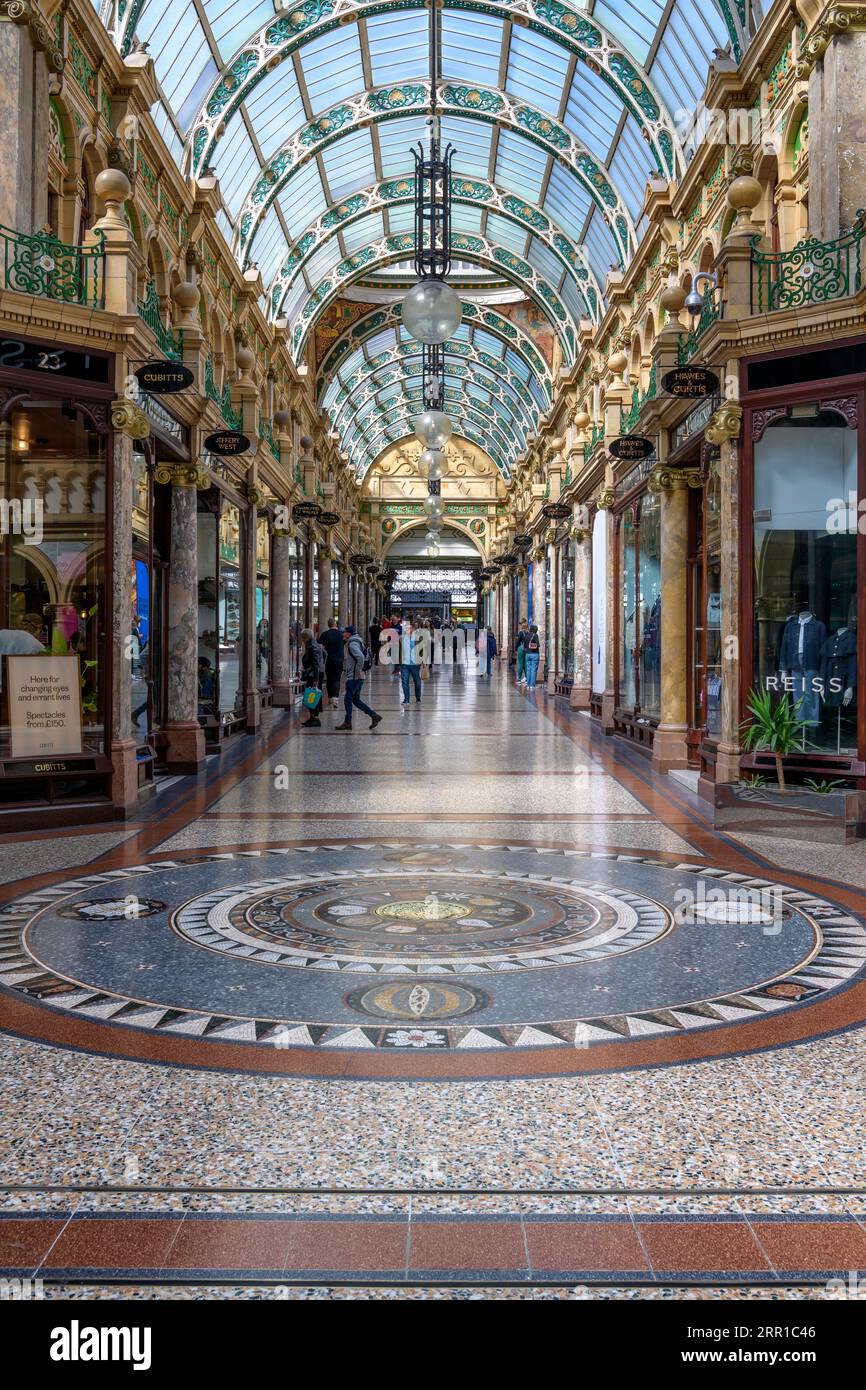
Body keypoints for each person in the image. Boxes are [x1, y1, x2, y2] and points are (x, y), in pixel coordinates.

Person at [336, 625, 381, 731]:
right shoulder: (358, 641)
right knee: (356, 700)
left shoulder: (352, 644)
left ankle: (348, 722)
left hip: (355, 677)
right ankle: (374, 716)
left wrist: (357, 671)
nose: (342, 634)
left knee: (348, 699)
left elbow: (360, 657)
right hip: (358, 676)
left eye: (344, 632)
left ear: (349, 633)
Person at [299, 627, 325, 728]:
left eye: (302, 638)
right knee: (311, 695)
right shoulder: (315, 644)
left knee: (312, 695)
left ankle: (315, 719)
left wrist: (315, 679)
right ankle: (312, 717)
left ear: (306, 637)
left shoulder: (312, 646)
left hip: (314, 675)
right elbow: (324, 655)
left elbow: (315, 664)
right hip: (316, 673)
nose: (302, 639)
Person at [319, 616, 345, 709]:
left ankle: (330, 697)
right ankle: (335, 699)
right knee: (336, 679)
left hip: (329, 660)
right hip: (339, 660)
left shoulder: (324, 634)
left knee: (329, 679)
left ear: (328, 625)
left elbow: (320, 647)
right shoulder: (341, 634)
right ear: (335, 624)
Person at [400, 619, 423, 705]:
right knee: (404, 681)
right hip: (404, 664)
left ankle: (418, 697)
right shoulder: (402, 639)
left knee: (417, 682)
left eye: (409, 628)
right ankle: (406, 700)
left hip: (415, 664)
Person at [524, 623, 541, 688]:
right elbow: (538, 645)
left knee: (528, 669)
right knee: (534, 669)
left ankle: (528, 684)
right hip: (534, 654)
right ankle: (532, 685)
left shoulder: (526, 635)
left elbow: (525, 645)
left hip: (527, 654)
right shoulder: (535, 635)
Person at [515, 617, 529, 684]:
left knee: (520, 663)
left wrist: (515, 649)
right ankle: (526, 678)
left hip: (521, 648)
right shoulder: (528, 632)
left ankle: (519, 679)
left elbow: (518, 642)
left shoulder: (521, 632)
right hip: (527, 649)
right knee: (526, 664)